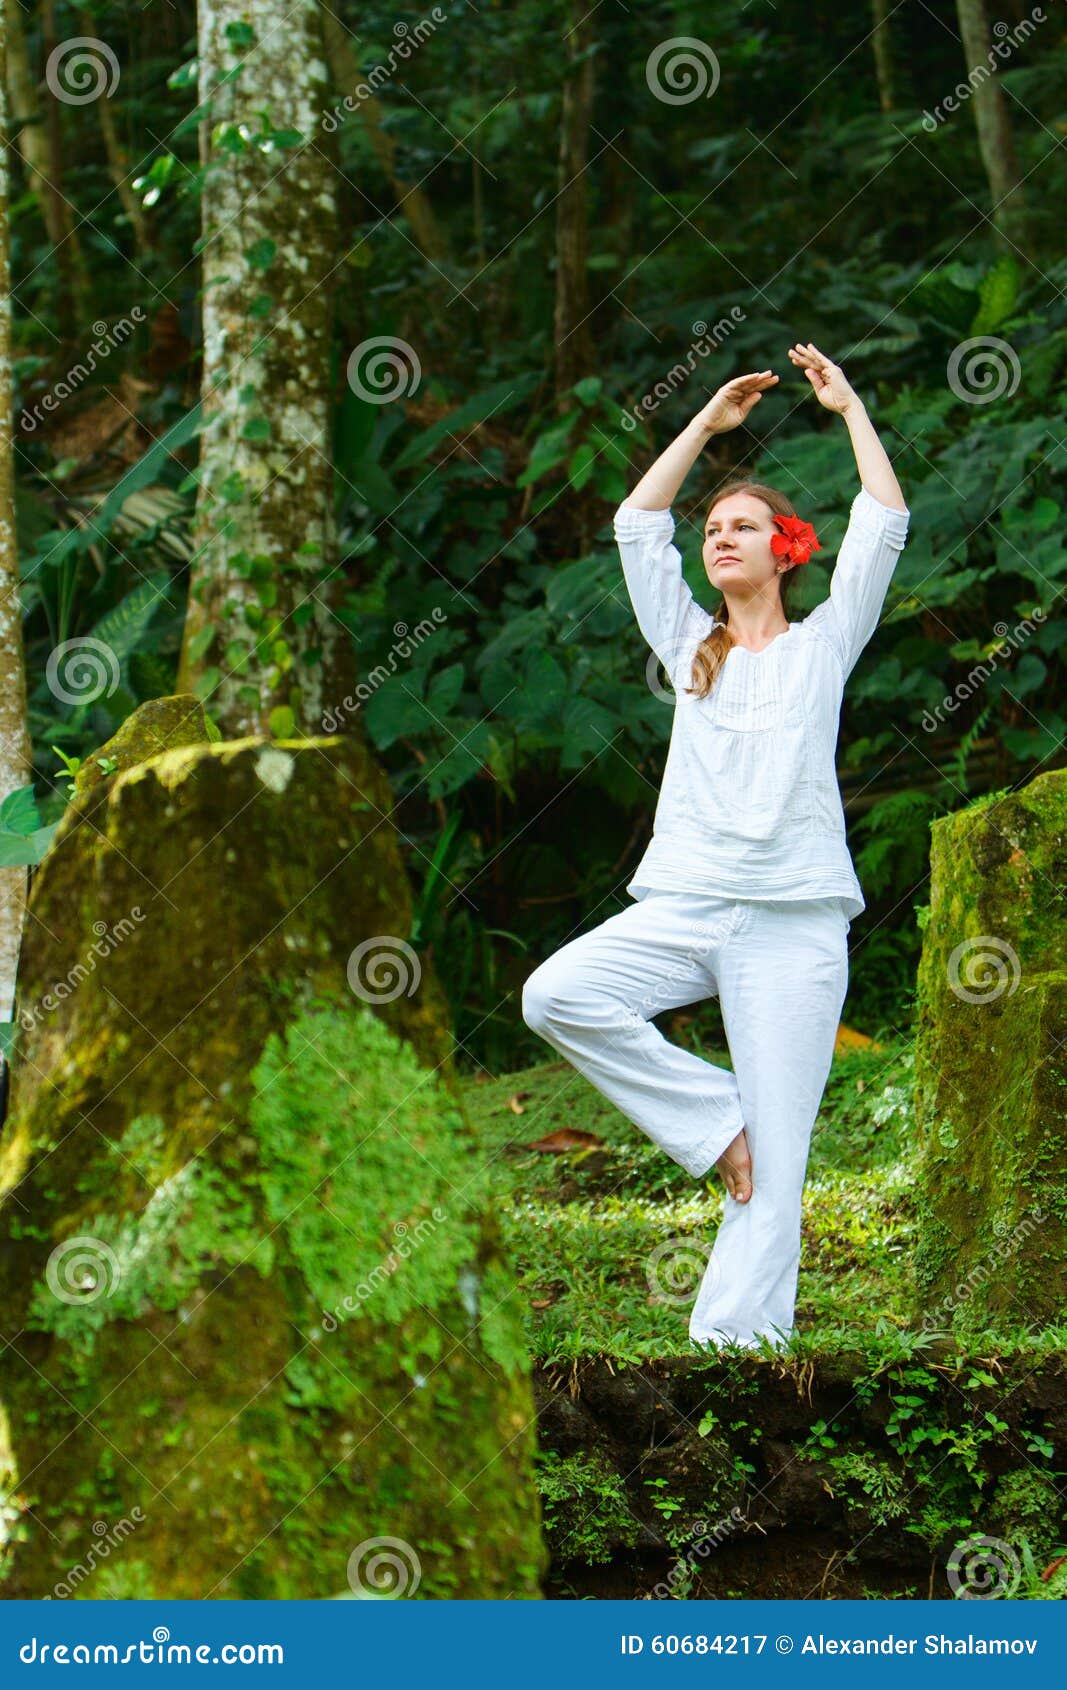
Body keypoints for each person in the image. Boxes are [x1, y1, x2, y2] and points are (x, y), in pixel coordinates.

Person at [521, 342, 910, 1351]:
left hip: (792, 923)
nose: (719, 537)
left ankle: (733, 1353)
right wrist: (703, 425)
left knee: (775, 1172)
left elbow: (883, 523)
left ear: (786, 549)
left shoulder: (823, 645)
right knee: (555, 995)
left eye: (742, 525)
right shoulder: (688, 646)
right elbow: (635, 524)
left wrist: (848, 408)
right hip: (687, 905)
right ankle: (715, 1123)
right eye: (712, 529)